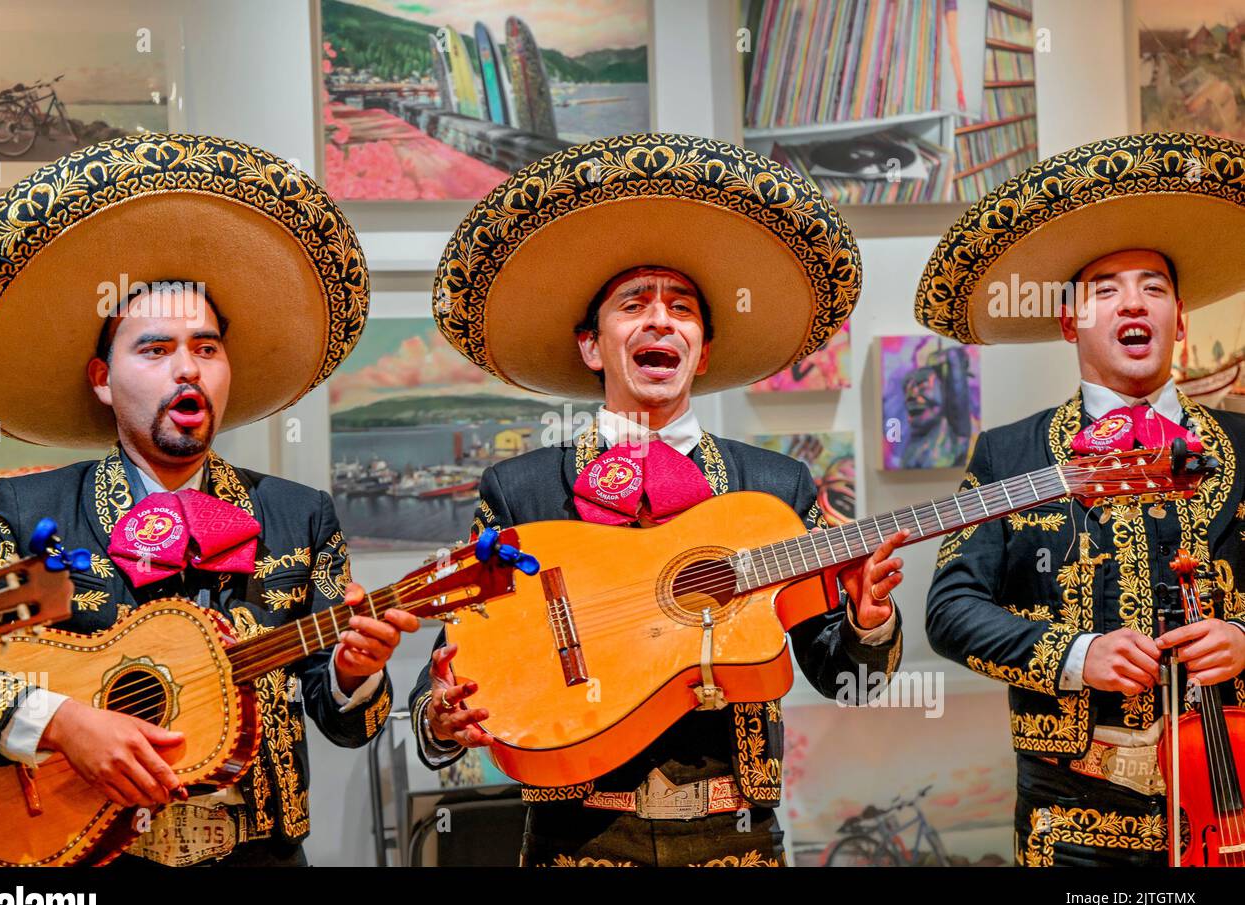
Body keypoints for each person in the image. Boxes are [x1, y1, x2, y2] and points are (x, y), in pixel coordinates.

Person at [410, 133, 907, 866]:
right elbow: (455, 658)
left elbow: (845, 681)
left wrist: (870, 623)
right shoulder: (522, 489)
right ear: (592, 345)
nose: (659, 319)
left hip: (734, 839)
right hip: (575, 837)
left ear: (700, 350)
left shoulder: (774, 488)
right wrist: (440, 719)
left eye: (682, 307)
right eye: (632, 304)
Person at [0, 133, 419, 866]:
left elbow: (343, 723)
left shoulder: (298, 516)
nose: (186, 369)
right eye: (154, 349)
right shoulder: (31, 511)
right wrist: (61, 721)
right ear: (102, 378)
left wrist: (357, 673)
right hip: (86, 852)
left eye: (206, 348)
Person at [917, 131, 1245, 866]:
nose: (1134, 303)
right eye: (1106, 290)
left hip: (1234, 807)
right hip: (1073, 825)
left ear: (1180, 317)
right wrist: (1075, 654)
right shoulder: (1010, 451)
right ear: (1070, 321)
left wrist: (1244, 640)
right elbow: (950, 610)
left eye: (1154, 288)